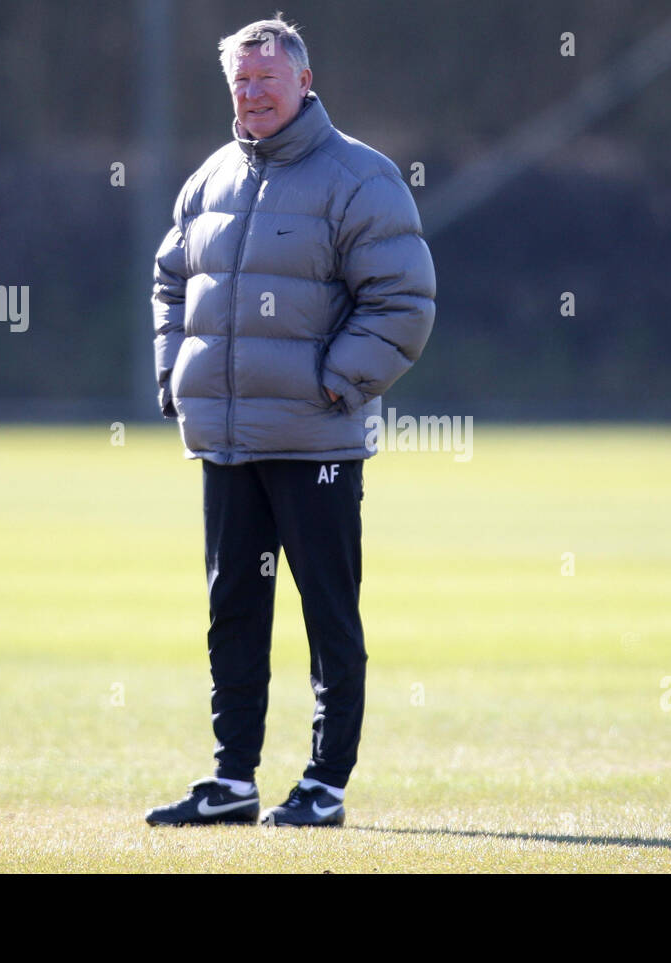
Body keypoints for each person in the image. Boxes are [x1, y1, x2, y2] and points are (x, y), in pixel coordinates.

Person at [145, 15, 435, 828]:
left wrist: (335, 386)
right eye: (241, 81)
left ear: (304, 83)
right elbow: (170, 282)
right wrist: (174, 375)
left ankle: (324, 784)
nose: (252, 93)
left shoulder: (362, 178)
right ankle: (231, 779)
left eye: (267, 80)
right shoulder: (209, 178)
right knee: (232, 608)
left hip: (316, 443)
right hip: (228, 446)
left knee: (327, 614)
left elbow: (403, 302)